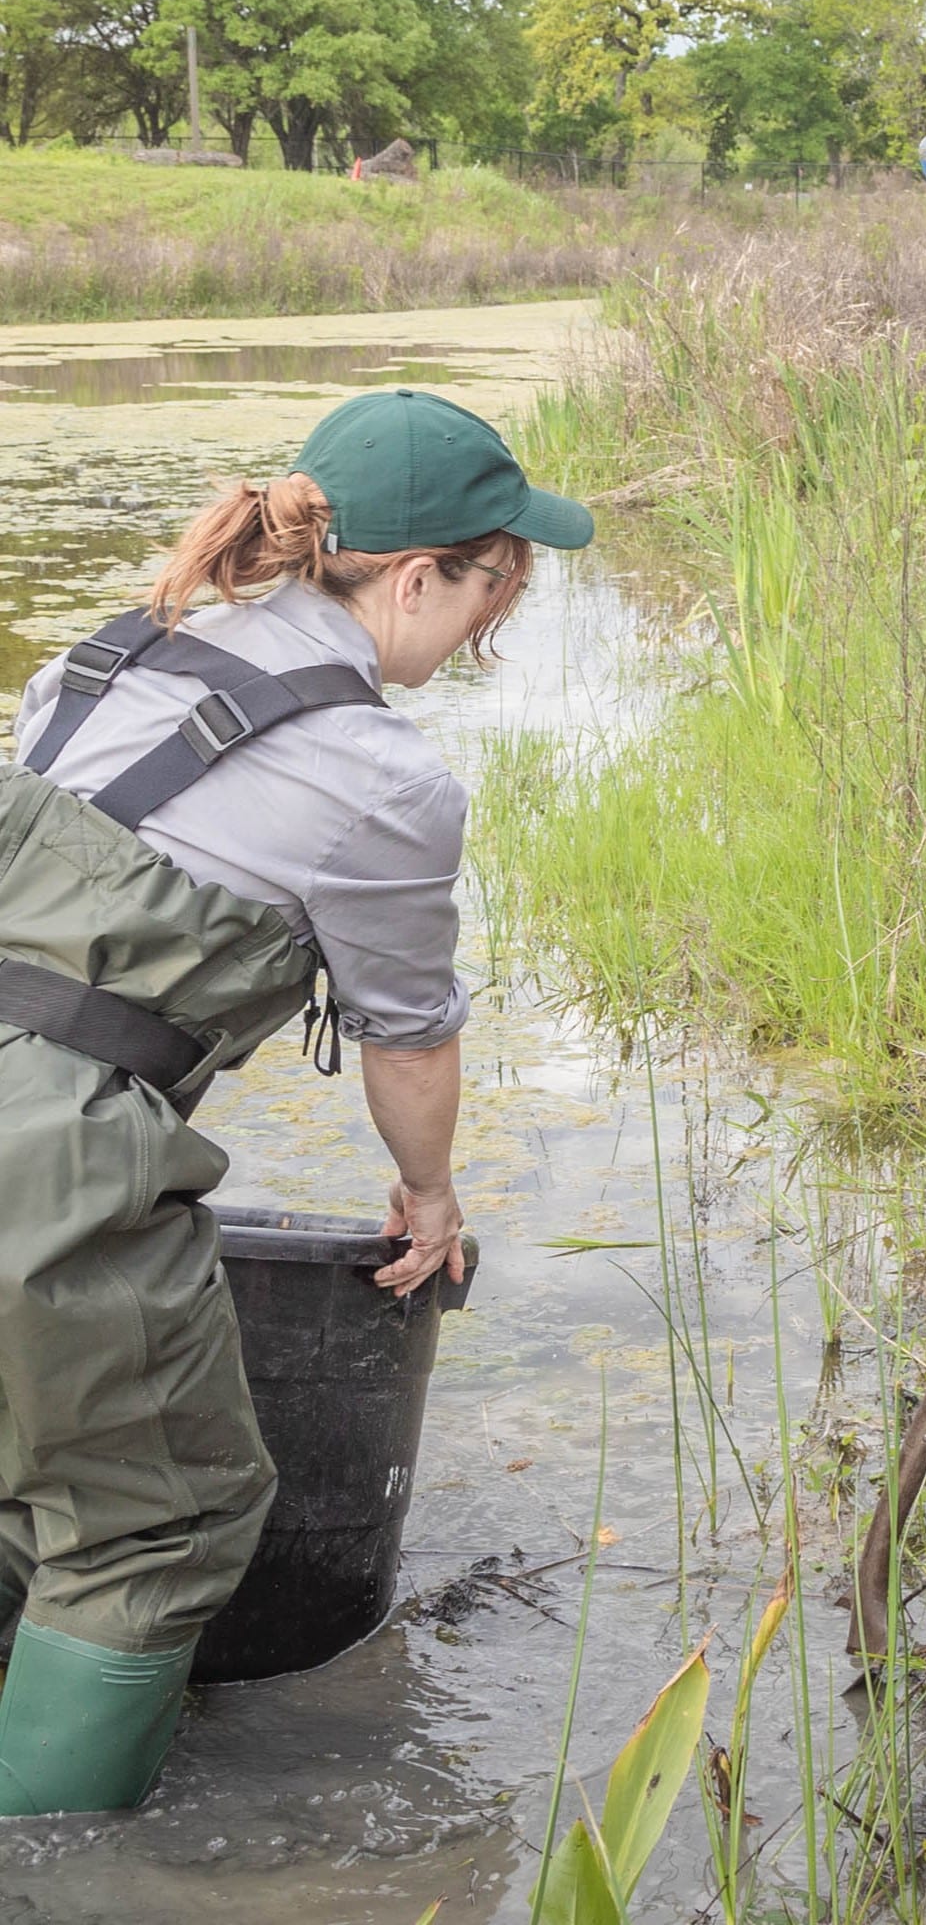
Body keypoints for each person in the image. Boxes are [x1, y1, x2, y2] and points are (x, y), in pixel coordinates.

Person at [0, 389, 593, 1817]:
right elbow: (407, 1033)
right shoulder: (381, 771)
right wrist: (432, 1195)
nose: (495, 618)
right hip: (43, 1153)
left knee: (25, 1494)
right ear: (415, 577)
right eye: (498, 580)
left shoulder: (108, 652)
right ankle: (58, 1872)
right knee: (160, 1525)